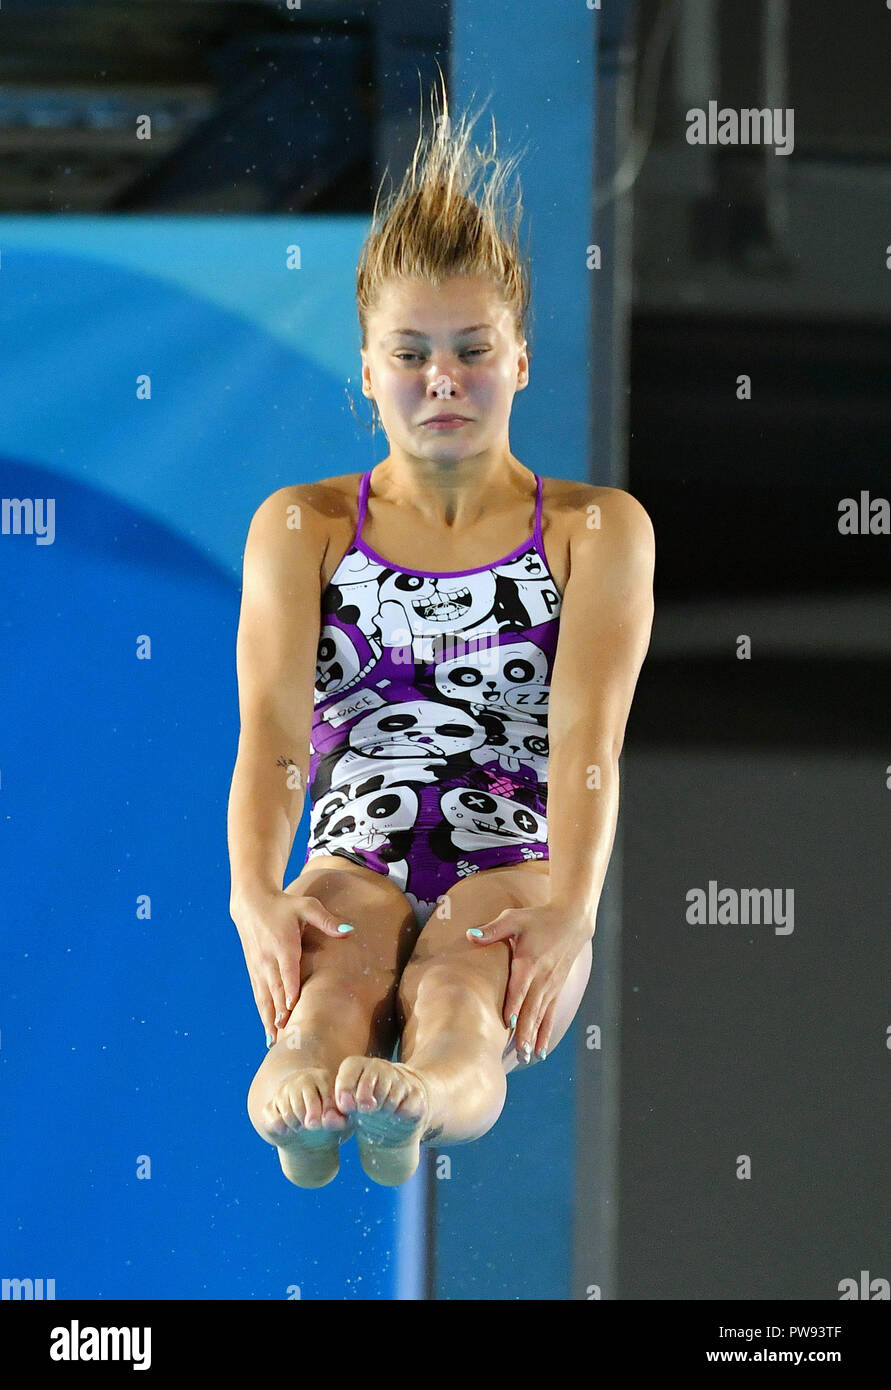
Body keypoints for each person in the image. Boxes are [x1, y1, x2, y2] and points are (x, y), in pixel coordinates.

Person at [227, 80, 655, 1189]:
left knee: (463, 993)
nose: (443, 378)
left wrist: (572, 910)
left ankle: (417, 1105)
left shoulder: (596, 531)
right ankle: (302, 1092)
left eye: (473, 348)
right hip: (360, 828)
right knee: (337, 982)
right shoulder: (302, 526)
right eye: (411, 352)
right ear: (367, 372)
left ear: (521, 358)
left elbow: (587, 736)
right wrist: (254, 890)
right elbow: (273, 735)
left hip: (512, 836)